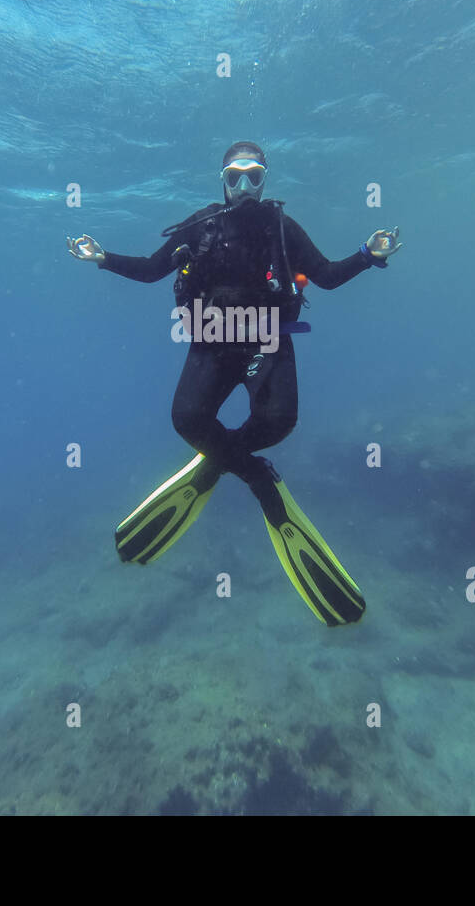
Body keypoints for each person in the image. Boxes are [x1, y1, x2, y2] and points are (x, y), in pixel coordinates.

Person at [67, 141, 402, 625]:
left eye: (254, 177)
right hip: (213, 343)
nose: (244, 188)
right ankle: (254, 474)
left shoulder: (280, 228)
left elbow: (325, 276)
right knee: (186, 418)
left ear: (265, 181)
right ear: (221, 180)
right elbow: (150, 270)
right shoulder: (199, 227)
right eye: (234, 177)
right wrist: (103, 258)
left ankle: (216, 465)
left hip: (267, 339)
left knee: (280, 419)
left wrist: (368, 255)